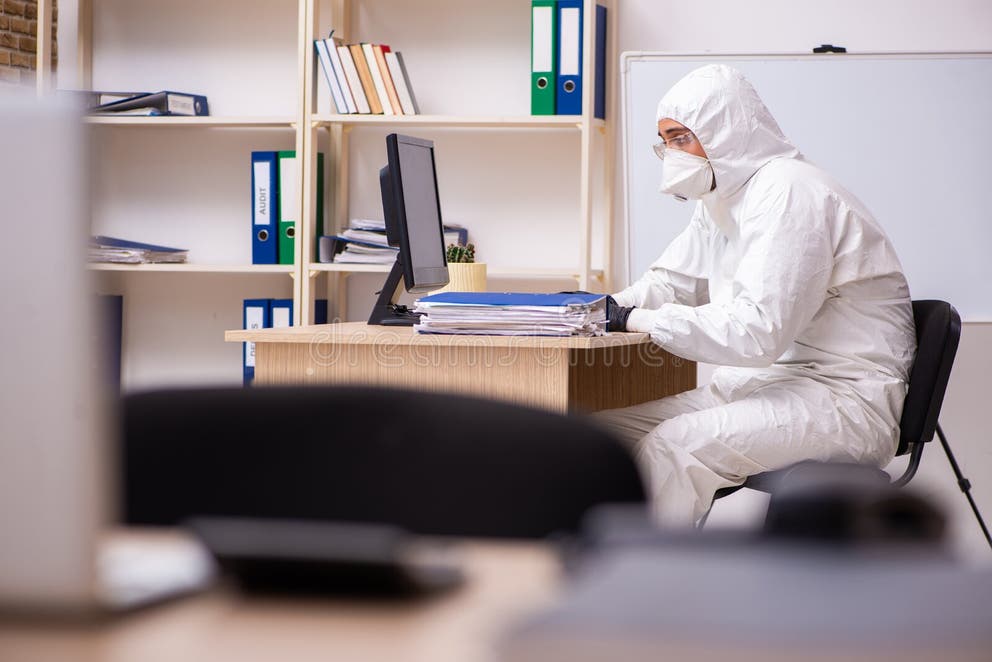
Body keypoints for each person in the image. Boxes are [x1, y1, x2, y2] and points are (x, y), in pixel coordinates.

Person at [596, 64, 916, 526]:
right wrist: (589, 312)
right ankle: (577, 569)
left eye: (681, 138)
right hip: (768, 389)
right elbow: (669, 283)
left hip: (843, 401)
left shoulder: (790, 192)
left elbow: (756, 334)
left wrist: (633, 319)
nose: (671, 155)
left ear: (724, 132)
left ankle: (647, 587)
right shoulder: (723, 199)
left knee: (675, 446)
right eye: (664, 142)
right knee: (598, 437)